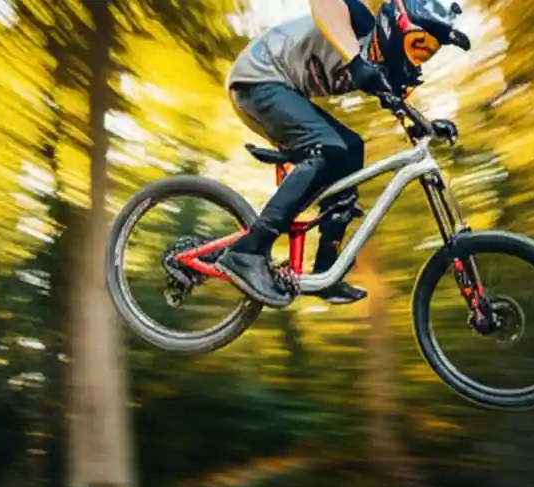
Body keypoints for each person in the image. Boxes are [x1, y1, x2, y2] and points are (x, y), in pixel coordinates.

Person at [177, 0, 470, 308]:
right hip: (259, 79)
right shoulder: (358, 22)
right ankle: (246, 253)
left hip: (280, 92)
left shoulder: (387, 73)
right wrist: (356, 62)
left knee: (351, 150)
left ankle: (326, 272)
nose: (421, 54)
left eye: (428, 52)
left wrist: (430, 125)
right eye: (419, 43)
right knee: (329, 147)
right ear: (396, 25)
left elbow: (403, 111)